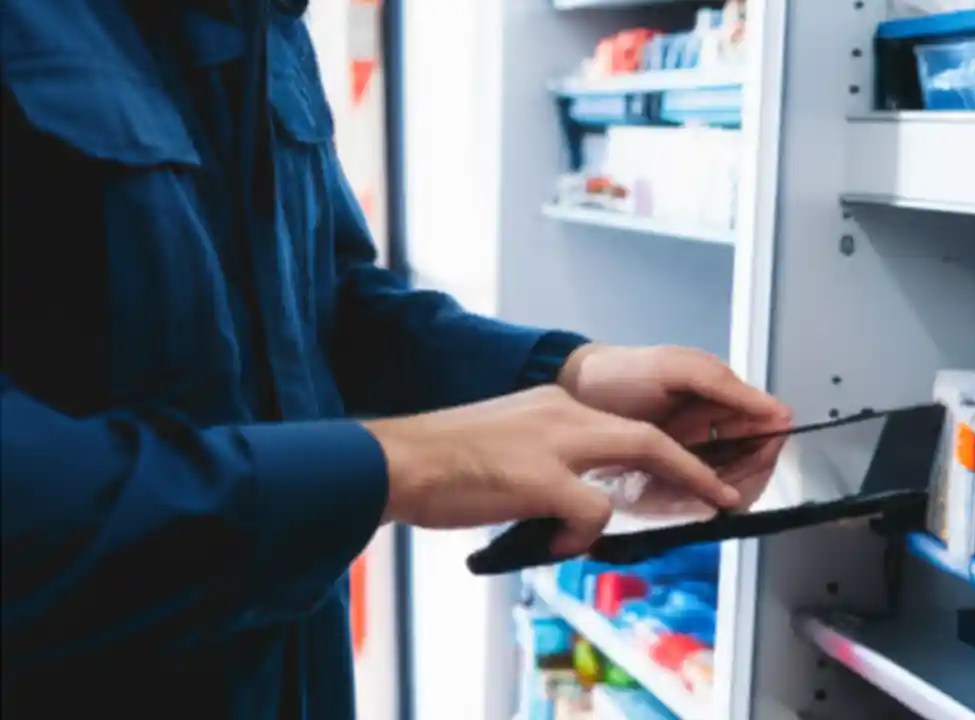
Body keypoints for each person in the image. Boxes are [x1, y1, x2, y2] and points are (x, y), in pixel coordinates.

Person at [0, 0, 791, 717]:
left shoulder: (267, 24)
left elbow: (324, 307)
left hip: (291, 674)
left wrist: (568, 376)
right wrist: (404, 463)